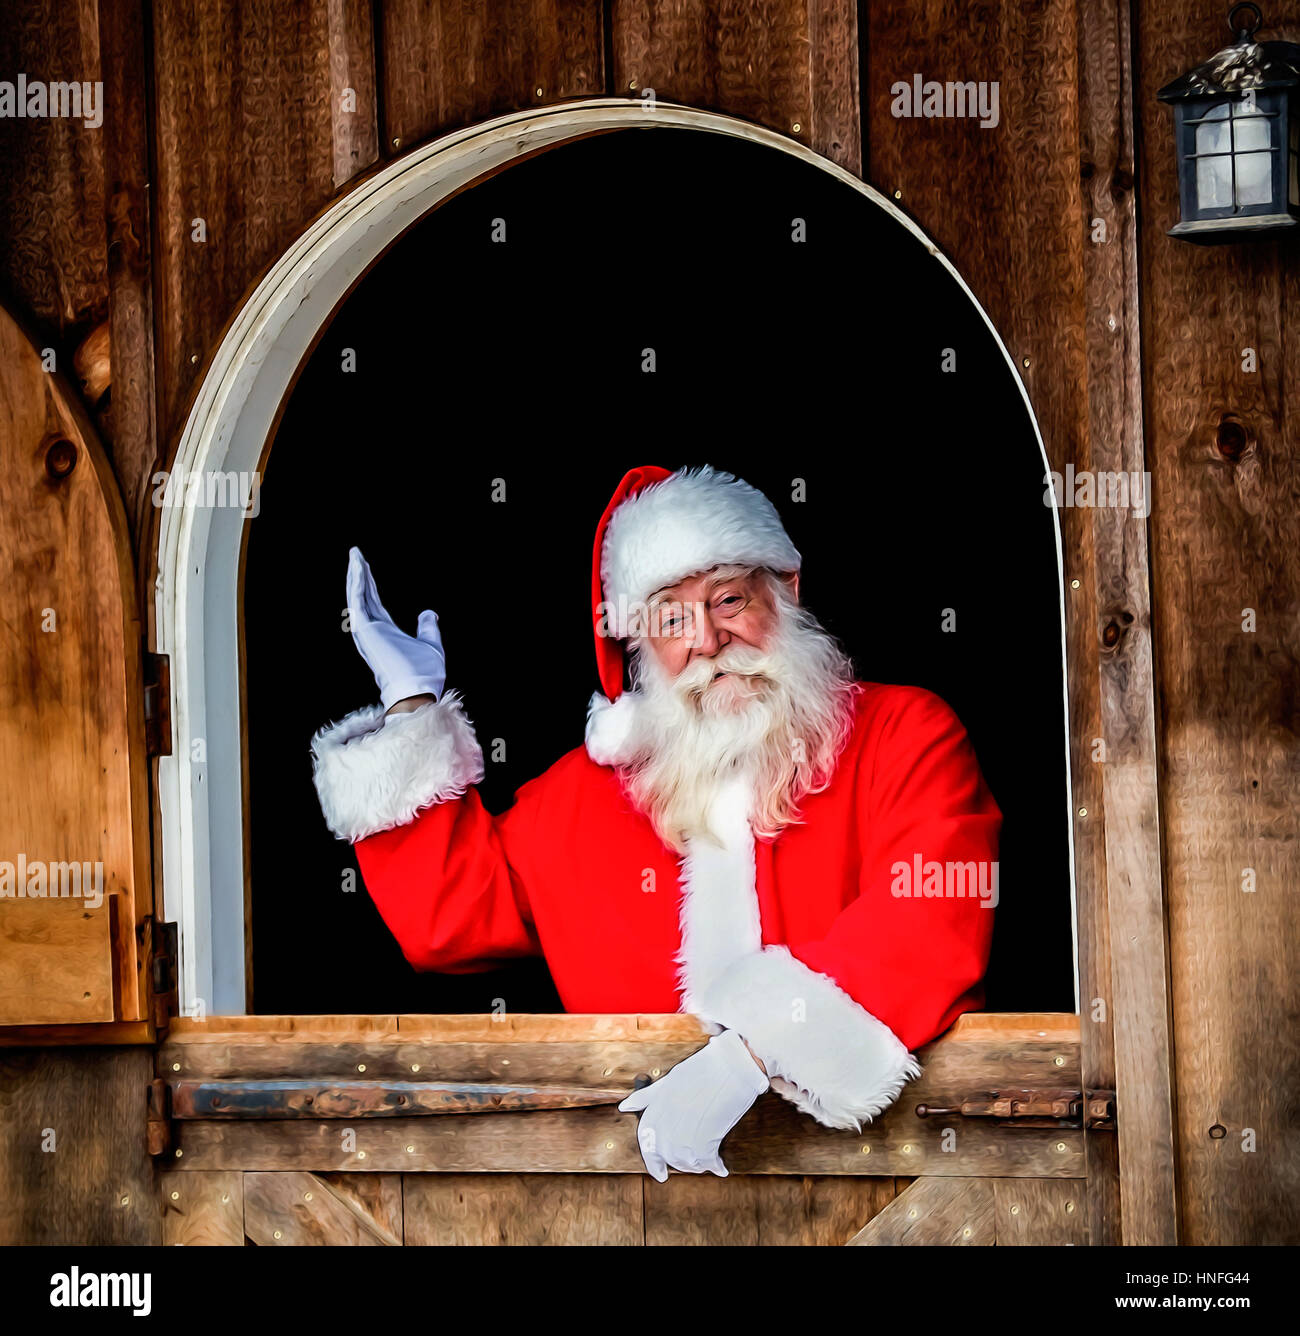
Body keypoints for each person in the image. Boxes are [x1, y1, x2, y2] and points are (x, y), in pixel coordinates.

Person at [311, 464, 1001, 1181]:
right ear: (637, 644)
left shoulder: (904, 734)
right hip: (639, 1200)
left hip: (884, 1176)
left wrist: (753, 1053)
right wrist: (411, 708)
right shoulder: (582, 796)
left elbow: (930, 916)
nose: (706, 638)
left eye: (730, 599)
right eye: (672, 617)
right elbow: (449, 913)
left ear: (787, 592)